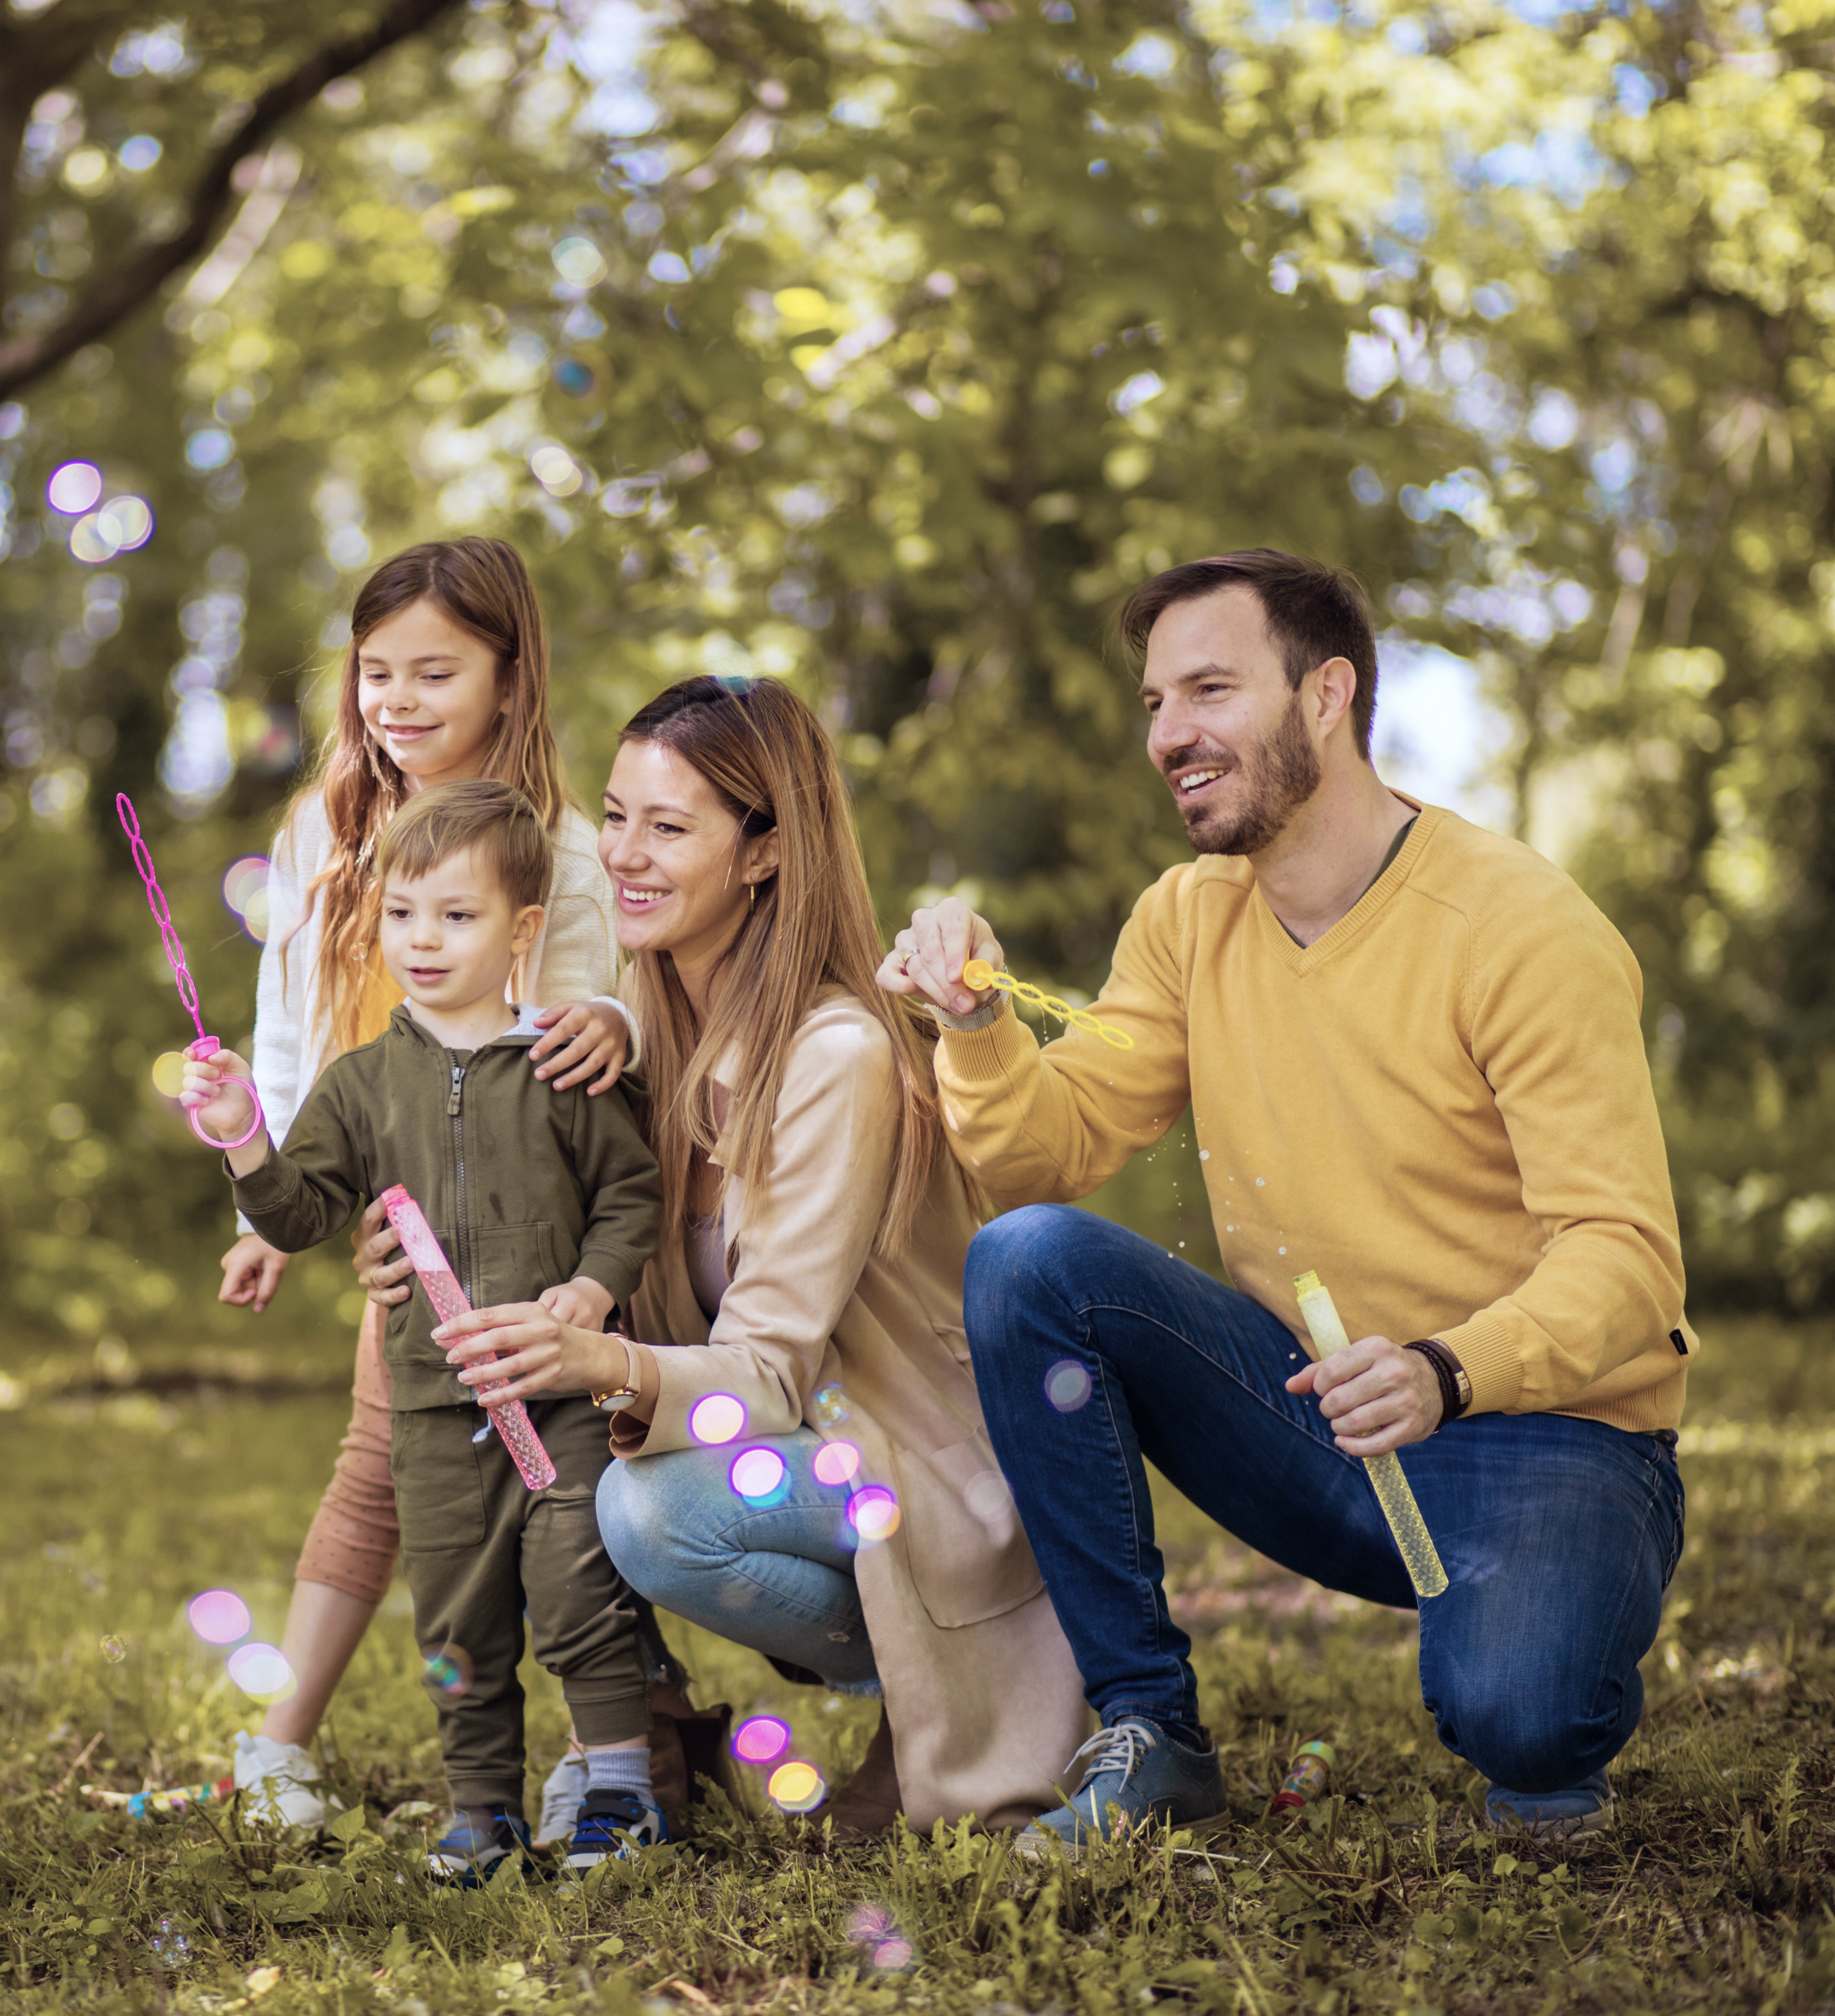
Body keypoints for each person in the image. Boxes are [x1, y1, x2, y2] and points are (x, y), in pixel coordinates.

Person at [880, 549, 1692, 1851]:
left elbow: (1630, 1258)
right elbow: (1047, 1154)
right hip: (1320, 1422)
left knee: (1526, 1725)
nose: (1170, 735)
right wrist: (976, 1027)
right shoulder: (1190, 916)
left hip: (1547, 1429)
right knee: (1030, 1260)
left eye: (1209, 689)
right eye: (1154, 701)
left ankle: (1532, 1647)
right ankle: (1148, 1726)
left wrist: (1446, 1367)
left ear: (1328, 693)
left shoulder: (1521, 927)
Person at [423, 676, 1089, 1836]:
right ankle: (645, 1727)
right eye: (617, 814)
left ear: (765, 852)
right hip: (818, 1451)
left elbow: (767, 1377)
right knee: (522, 1438)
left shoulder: (835, 1055)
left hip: (922, 1475)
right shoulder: (640, 1020)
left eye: (670, 827)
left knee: (652, 1510)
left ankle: (931, 1687)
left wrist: (599, 1359)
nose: (625, 853)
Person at [209, 538, 639, 1831]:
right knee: (386, 1466)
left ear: (510, 681)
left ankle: (603, 1747)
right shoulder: (321, 833)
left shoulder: (561, 847)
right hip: (400, 1212)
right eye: (375, 670)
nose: (395, 697)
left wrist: (614, 1020)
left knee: (557, 1476)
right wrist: (267, 1208)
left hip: (545, 1230)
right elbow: (292, 1032)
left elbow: (597, 1002)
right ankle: (290, 1744)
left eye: (435, 671)